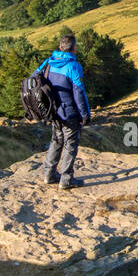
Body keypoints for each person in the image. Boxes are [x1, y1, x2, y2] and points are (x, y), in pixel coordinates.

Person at [34, 33, 91, 188]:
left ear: (60, 47)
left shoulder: (49, 62)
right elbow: (79, 92)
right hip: (70, 113)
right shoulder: (73, 66)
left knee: (56, 141)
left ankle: (48, 175)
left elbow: (33, 79)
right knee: (70, 144)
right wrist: (85, 114)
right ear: (74, 48)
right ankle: (66, 180)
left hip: (53, 112)